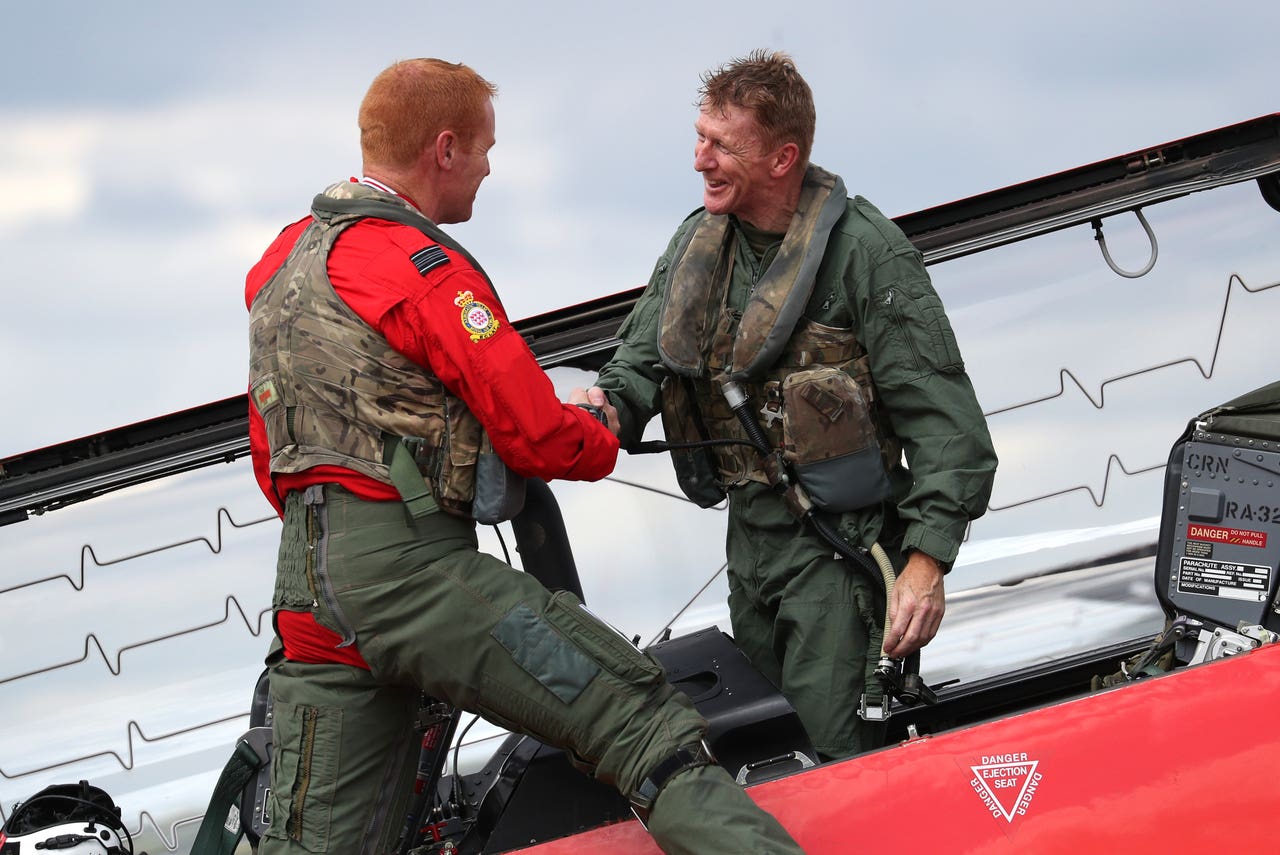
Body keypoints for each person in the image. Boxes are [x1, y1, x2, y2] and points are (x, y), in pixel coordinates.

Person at [243, 58, 804, 855]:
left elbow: (275, 456)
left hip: (308, 595)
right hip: (414, 577)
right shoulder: (418, 266)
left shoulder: (277, 268)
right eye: (484, 149)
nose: (488, 167)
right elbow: (532, 430)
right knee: (638, 719)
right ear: (444, 149)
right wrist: (599, 428)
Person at [582, 50, 998, 762]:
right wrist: (601, 412)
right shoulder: (698, 243)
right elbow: (641, 358)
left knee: (833, 756)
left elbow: (946, 424)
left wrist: (926, 562)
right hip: (751, 544)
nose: (699, 160)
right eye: (700, 136)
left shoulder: (865, 253)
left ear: (783, 158)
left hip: (840, 551)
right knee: (761, 755)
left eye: (721, 145)